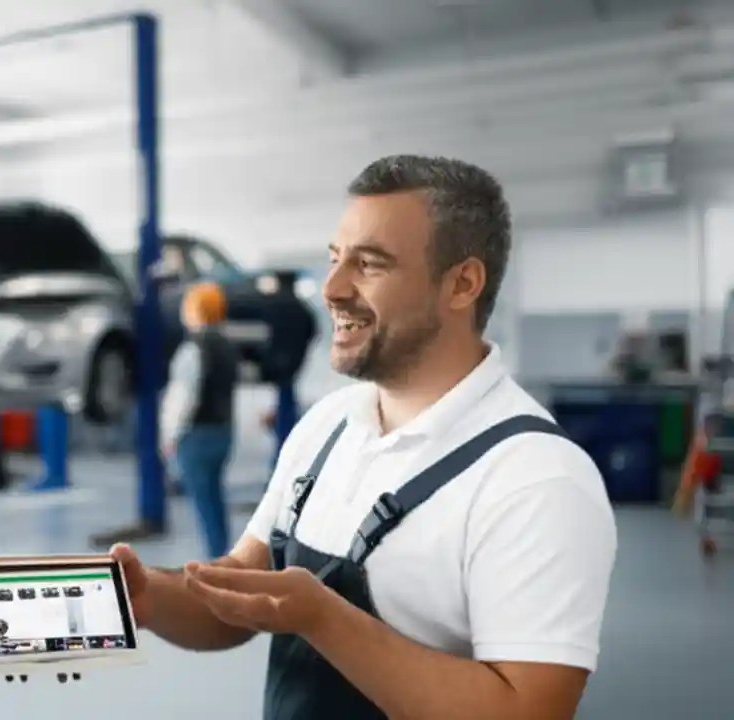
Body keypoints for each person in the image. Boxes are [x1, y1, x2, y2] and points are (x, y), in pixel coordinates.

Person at [113, 154, 618, 719]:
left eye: (369, 264)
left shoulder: (536, 478)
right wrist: (149, 594)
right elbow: (238, 595)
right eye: (335, 260)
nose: (332, 288)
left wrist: (323, 618)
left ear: (462, 283)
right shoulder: (326, 427)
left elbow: (528, 712)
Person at [160, 282, 240, 559]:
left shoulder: (192, 349)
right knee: (215, 499)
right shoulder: (228, 346)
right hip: (223, 432)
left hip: (196, 435)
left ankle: (216, 562)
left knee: (204, 503)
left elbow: (183, 397)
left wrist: (170, 436)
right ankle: (224, 555)